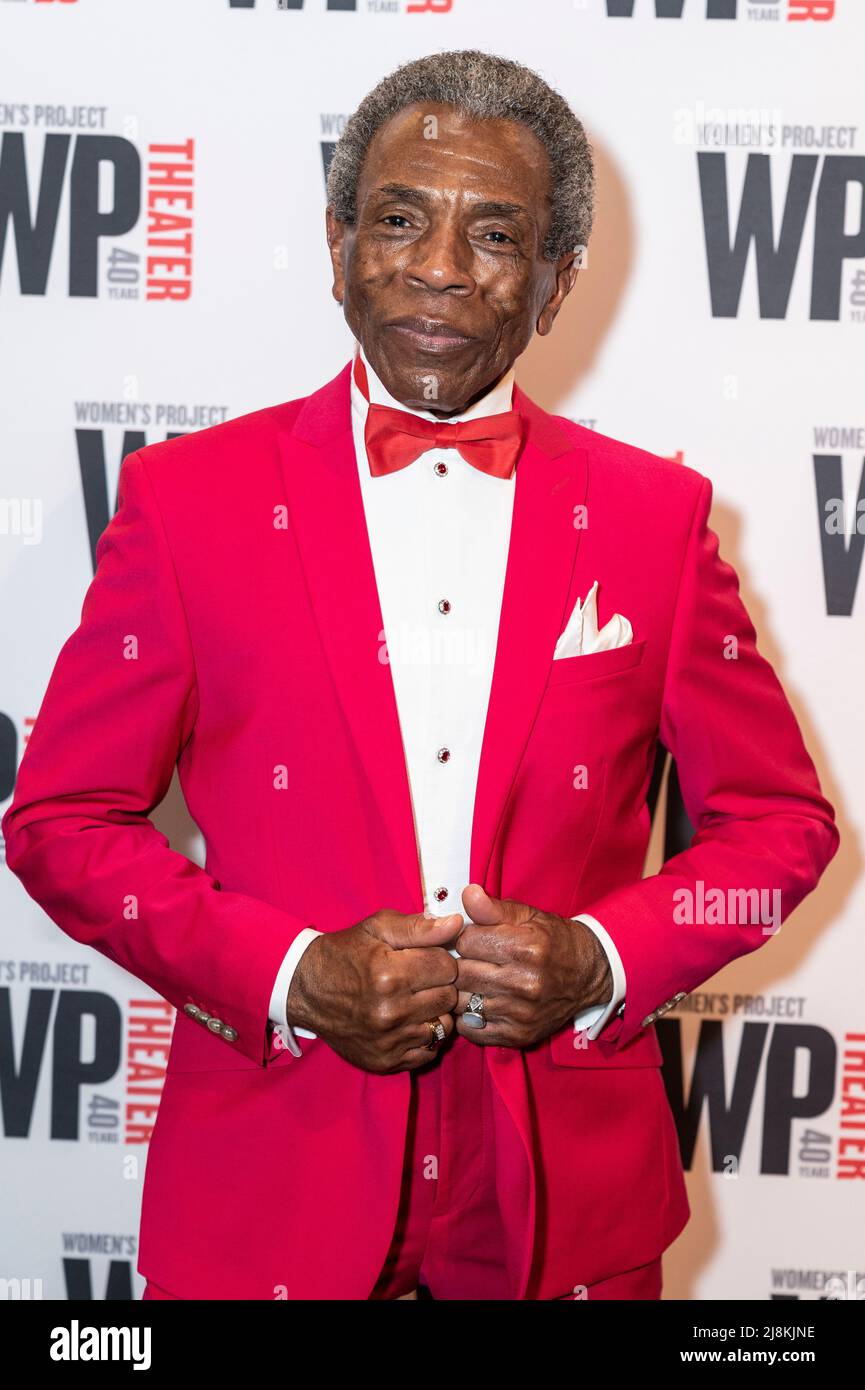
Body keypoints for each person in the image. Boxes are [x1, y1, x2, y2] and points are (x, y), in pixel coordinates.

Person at [2, 50, 838, 1301]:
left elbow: (778, 827)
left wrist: (602, 957)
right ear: (337, 246)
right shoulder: (186, 506)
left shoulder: (652, 520)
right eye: (397, 218)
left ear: (554, 289)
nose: (438, 264)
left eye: (494, 232)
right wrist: (289, 976)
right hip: (271, 1173)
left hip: (566, 1188)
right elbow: (62, 822)